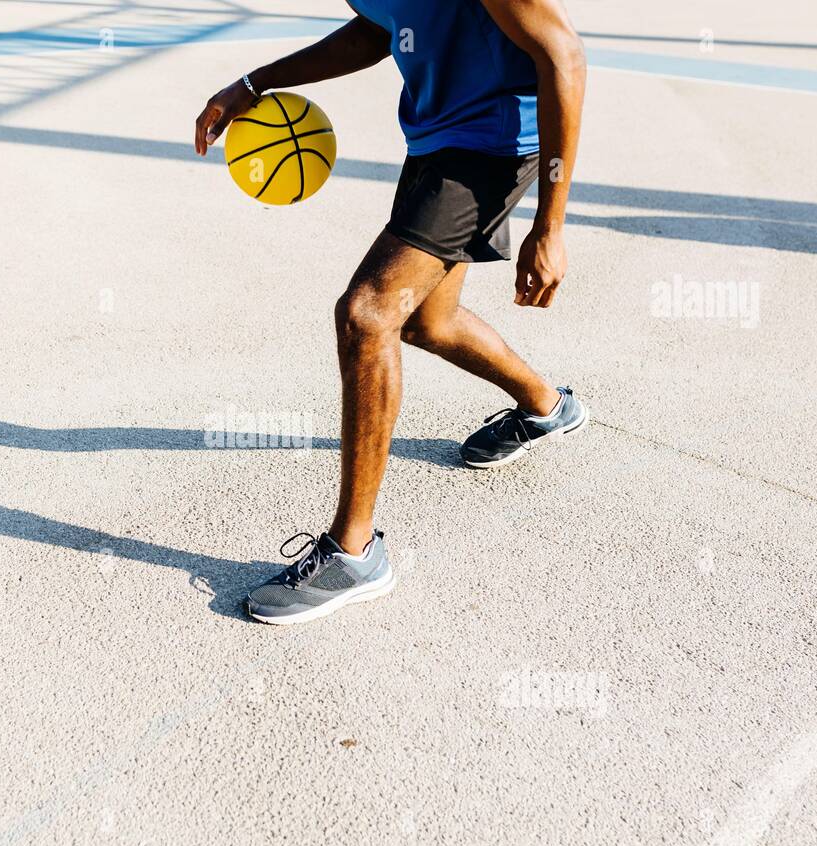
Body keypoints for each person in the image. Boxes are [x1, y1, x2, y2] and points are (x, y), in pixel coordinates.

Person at [193, 1, 588, 625]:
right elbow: (379, 28)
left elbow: (561, 52)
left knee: (368, 314)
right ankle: (547, 406)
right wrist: (255, 82)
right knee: (428, 321)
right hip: (438, 140)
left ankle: (354, 553)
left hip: (490, 149)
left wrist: (552, 222)